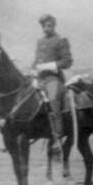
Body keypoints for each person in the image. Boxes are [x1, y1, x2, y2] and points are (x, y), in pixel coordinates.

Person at [32, 14, 73, 157]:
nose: (46, 28)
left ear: (53, 26)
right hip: (39, 78)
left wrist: (50, 65)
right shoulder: (40, 42)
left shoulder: (61, 41)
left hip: (53, 78)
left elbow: (67, 61)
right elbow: (36, 61)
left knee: (53, 98)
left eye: (48, 25)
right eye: (43, 26)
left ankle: (57, 137)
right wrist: (33, 70)